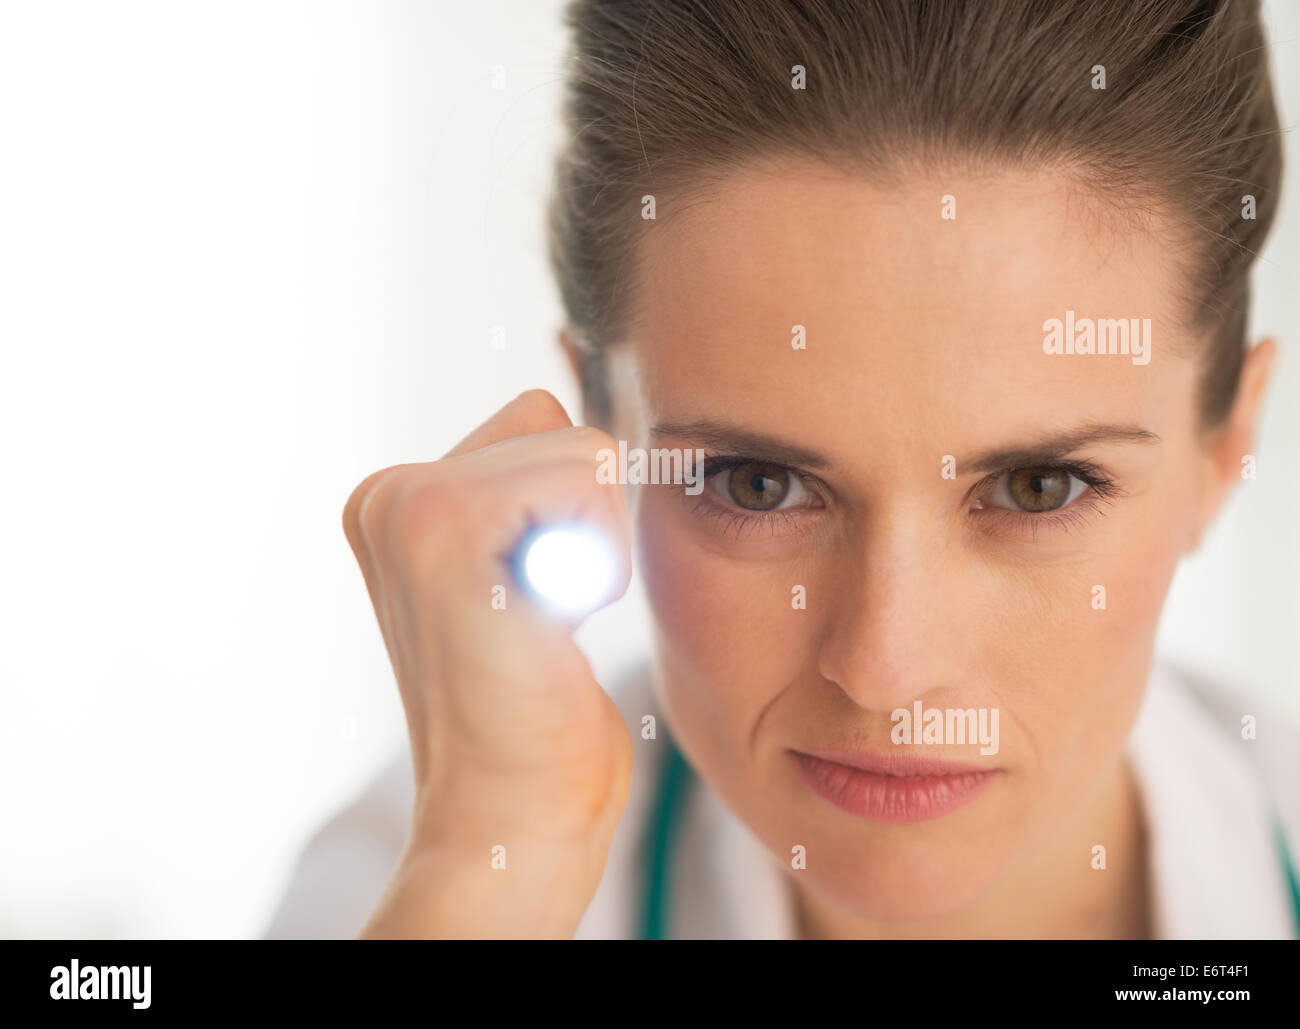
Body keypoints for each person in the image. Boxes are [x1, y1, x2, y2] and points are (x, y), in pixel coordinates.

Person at [265, 0, 1300, 939]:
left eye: (1040, 487)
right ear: (597, 429)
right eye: (755, 485)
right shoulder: (418, 887)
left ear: (1224, 449)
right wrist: (491, 872)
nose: (888, 670)